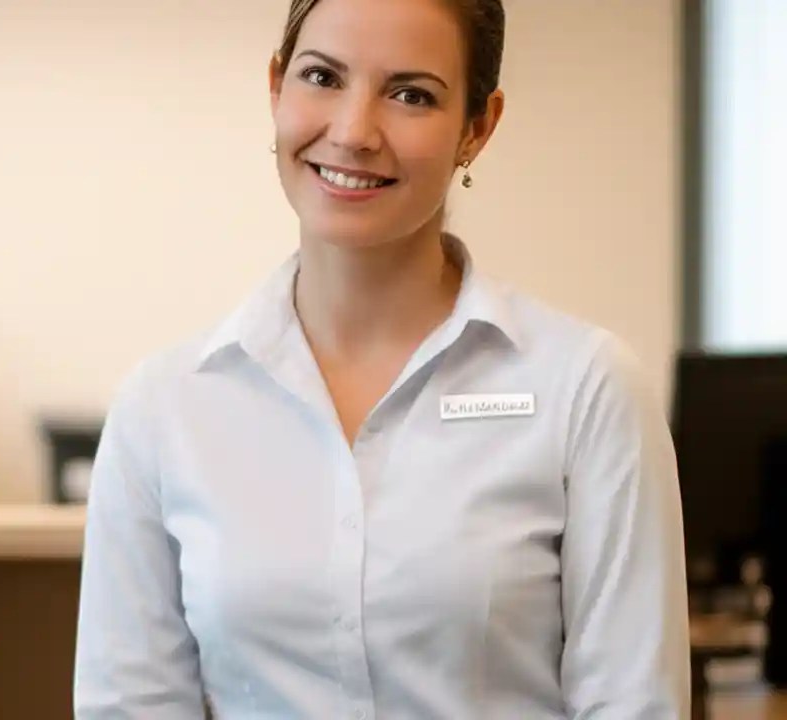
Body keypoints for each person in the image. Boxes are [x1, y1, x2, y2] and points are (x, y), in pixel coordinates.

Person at [72, 0, 690, 717]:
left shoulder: (586, 388)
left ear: (477, 128)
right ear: (277, 87)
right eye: (322, 77)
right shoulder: (164, 407)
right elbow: (131, 705)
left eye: (411, 94)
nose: (354, 131)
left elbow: (632, 703)